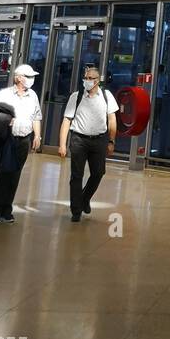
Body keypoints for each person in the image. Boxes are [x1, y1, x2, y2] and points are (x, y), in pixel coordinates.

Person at [58, 64, 118, 222]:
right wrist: (62, 144)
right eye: (86, 78)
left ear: (98, 81)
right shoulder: (76, 97)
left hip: (99, 140)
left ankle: (84, 198)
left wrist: (111, 141)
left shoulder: (106, 96)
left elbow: (112, 120)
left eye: (91, 78)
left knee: (98, 172)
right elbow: (66, 121)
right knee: (76, 175)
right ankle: (76, 211)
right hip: (79, 140)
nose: (88, 81)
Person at [0, 63, 42, 225]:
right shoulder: (4, 95)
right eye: (28, 77)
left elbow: (36, 117)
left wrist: (37, 135)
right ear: (18, 78)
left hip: (23, 140)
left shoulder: (32, 96)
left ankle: (6, 209)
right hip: (5, 140)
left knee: (14, 175)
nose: (31, 80)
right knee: (1, 174)